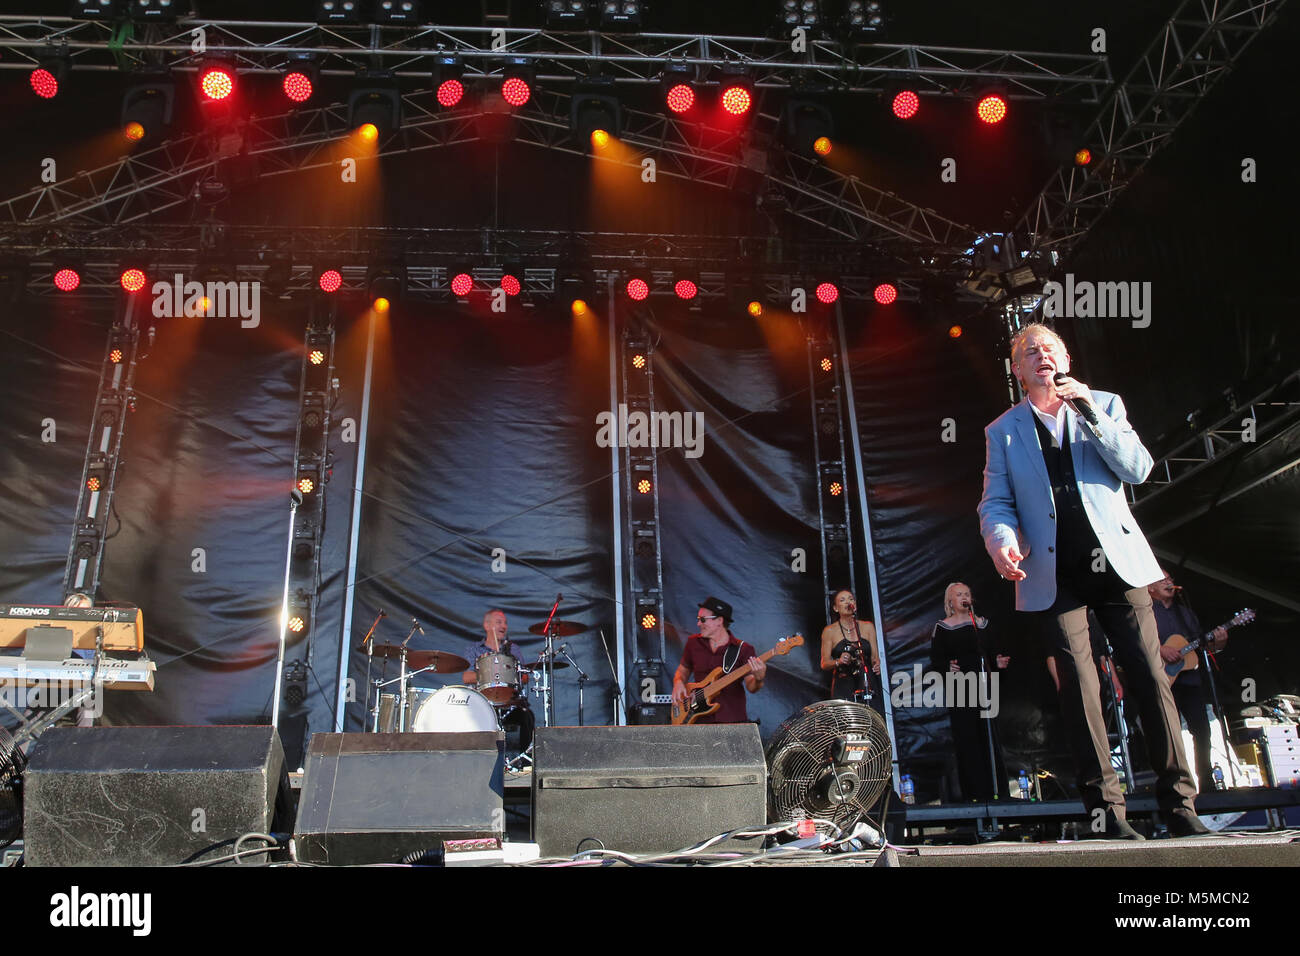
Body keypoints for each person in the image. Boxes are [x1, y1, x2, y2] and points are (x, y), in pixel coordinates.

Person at [977, 323, 1205, 838]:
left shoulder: (1103, 403)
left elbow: (1138, 469)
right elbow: (995, 502)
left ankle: (1180, 806)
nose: (1041, 356)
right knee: (1080, 689)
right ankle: (1107, 813)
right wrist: (1002, 541)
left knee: (1149, 675)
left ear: (1065, 358)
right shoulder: (1003, 430)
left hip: (1117, 567)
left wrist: (1092, 413)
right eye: (1029, 352)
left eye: (1049, 349)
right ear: (1017, 370)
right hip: (1056, 575)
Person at [928, 583, 1010, 801]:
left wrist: (998, 661)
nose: (964, 597)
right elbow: (936, 659)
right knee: (968, 737)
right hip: (960, 685)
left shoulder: (981, 624)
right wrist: (947, 667)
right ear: (950, 602)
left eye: (967, 593)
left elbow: (991, 651)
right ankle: (975, 792)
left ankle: (998, 790)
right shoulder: (943, 627)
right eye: (959, 594)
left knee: (988, 734)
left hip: (983, 683)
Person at [1150, 570, 1229, 793]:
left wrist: (1219, 643)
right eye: (1162, 580)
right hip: (1165, 682)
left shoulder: (1185, 613)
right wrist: (1161, 649)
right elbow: (1138, 642)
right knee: (1170, 733)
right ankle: (1176, 782)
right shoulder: (1146, 614)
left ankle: (1206, 779)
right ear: (1150, 588)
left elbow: (1202, 644)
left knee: (1203, 730)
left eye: (1171, 579)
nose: (1169, 582)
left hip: (1190, 680)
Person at [671, 597, 766, 724]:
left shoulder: (743, 649)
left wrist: (758, 679)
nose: (698, 624)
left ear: (719, 621)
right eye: (698, 619)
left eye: (703, 619)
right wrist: (678, 683)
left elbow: (751, 686)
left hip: (731, 721)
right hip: (698, 721)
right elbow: (682, 671)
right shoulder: (693, 643)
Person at [462, 608, 532, 750]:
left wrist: (511, 675)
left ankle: (521, 760)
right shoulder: (474, 649)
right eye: (499, 622)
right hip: (483, 701)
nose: (503, 626)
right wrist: (490, 674)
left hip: (509, 701)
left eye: (505, 623)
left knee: (526, 715)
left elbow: (524, 677)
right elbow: (466, 677)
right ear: (487, 625)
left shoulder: (513, 649)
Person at [819, 589, 880, 702]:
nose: (848, 602)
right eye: (842, 600)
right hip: (844, 683)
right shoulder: (830, 631)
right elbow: (824, 663)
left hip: (866, 681)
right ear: (836, 608)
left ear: (855, 605)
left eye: (851, 599)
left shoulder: (868, 627)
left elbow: (874, 657)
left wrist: (877, 665)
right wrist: (839, 661)